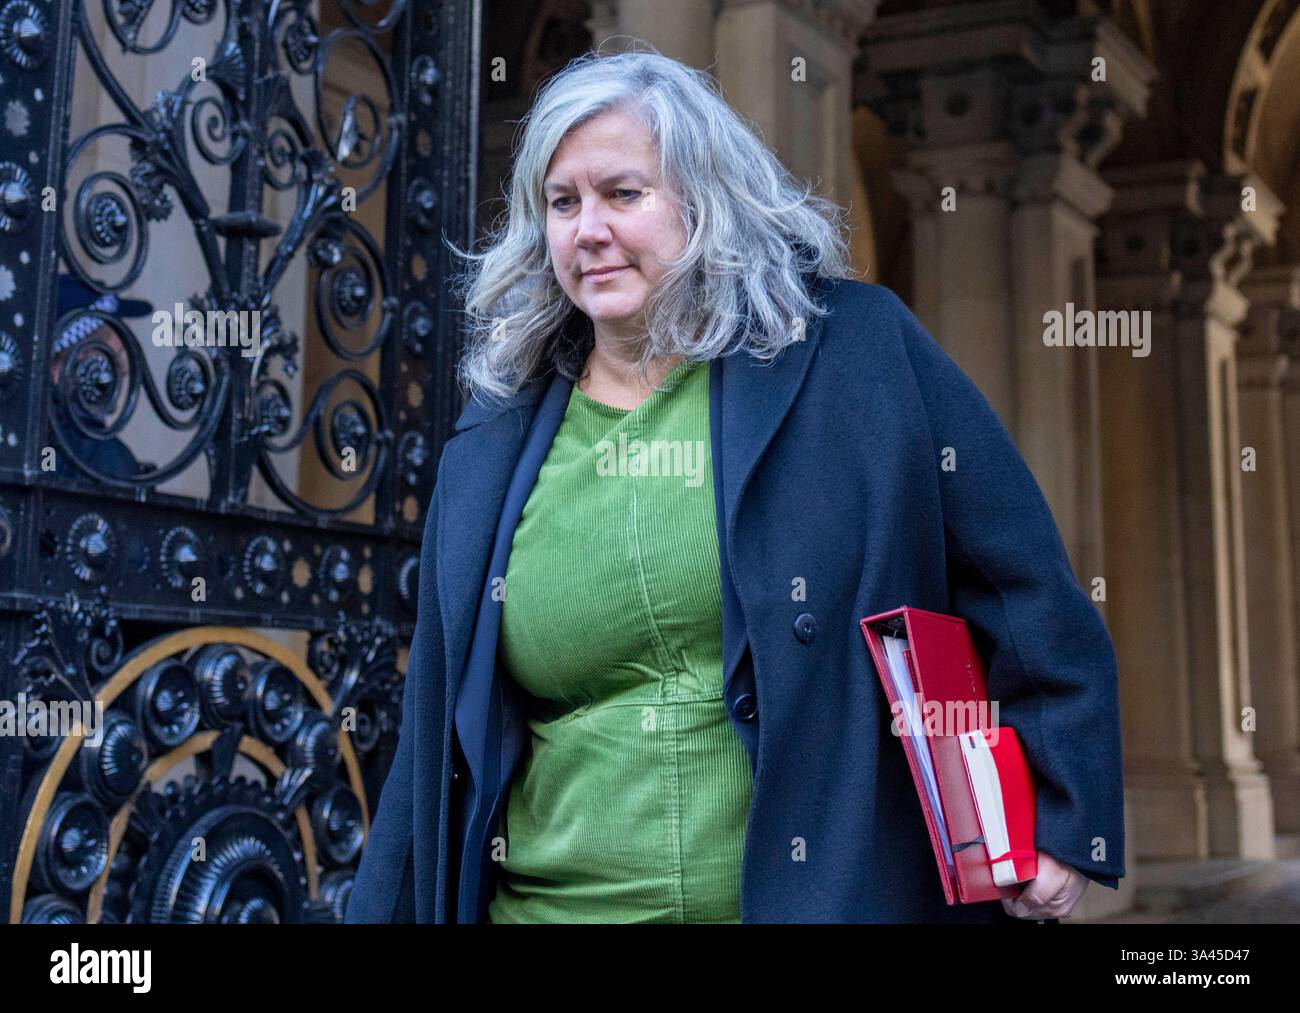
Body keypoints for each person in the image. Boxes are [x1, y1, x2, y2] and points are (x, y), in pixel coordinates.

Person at [344, 47, 1125, 924]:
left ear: (705, 201)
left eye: (622, 194)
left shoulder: (855, 355)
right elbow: (435, 735)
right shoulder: (491, 441)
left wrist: (1064, 814)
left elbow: (1020, 581)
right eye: (561, 203)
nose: (586, 228)